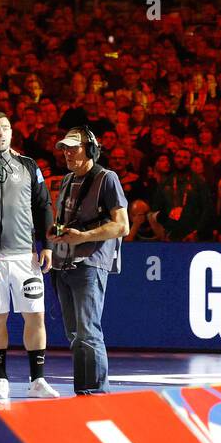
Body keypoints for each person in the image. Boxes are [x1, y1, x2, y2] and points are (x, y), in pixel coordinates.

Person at [0, 111, 59, 402]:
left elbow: (43, 205)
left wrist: (46, 245)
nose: (0, 132)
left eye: (5, 127)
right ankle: (0, 378)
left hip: (25, 256)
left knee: (35, 316)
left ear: (12, 132)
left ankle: (37, 379)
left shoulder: (28, 165)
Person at [47, 128, 128, 396]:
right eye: (65, 148)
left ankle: (96, 393)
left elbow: (122, 226)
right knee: (75, 334)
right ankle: (84, 392)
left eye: (74, 147)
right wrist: (56, 233)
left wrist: (84, 237)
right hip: (64, 262)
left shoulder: (107, 178)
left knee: (88, 331)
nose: (67, 153)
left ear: (91, 149)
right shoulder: (68, 180)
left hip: (89, 262)